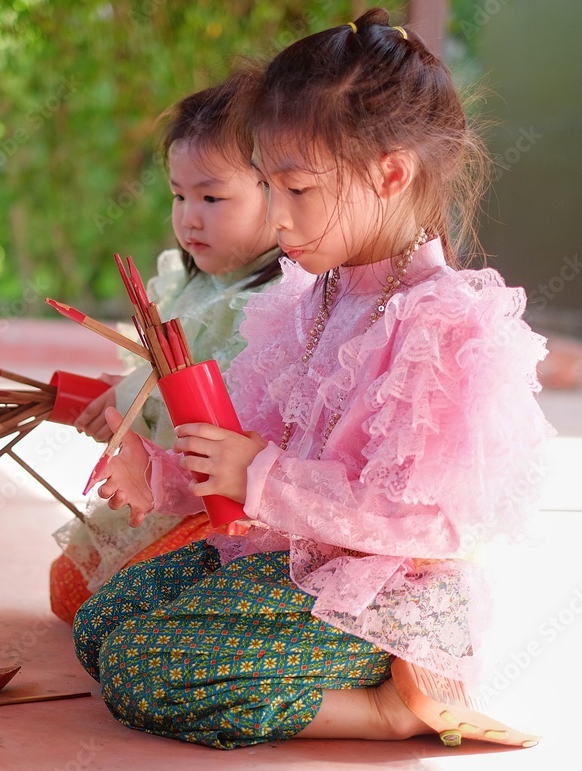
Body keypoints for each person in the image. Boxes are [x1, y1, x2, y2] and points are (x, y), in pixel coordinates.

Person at [74, 8, 552, 750]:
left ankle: (389, 707)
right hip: (289, 560)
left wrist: (263, 474)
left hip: (386, 600)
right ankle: (302, 676)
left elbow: (436, 523)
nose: (280, 218)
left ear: (391, 174)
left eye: (297, 189)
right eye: (269, 187)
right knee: (100, 624)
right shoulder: (307, 298)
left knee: (142, 669)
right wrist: (163, 474)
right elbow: (248, 449)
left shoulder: (445, 326)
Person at [50, 66, 282, 623]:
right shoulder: (191, 281)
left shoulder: (273, 300)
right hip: (160, 487)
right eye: (180, 195)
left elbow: (219, 400)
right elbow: (155, 376)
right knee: (67, 591)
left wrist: (131, 399)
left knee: (120, 614)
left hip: (221, 502)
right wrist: (120, 399)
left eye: (212, 197)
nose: (189, 218)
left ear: (281, 189)